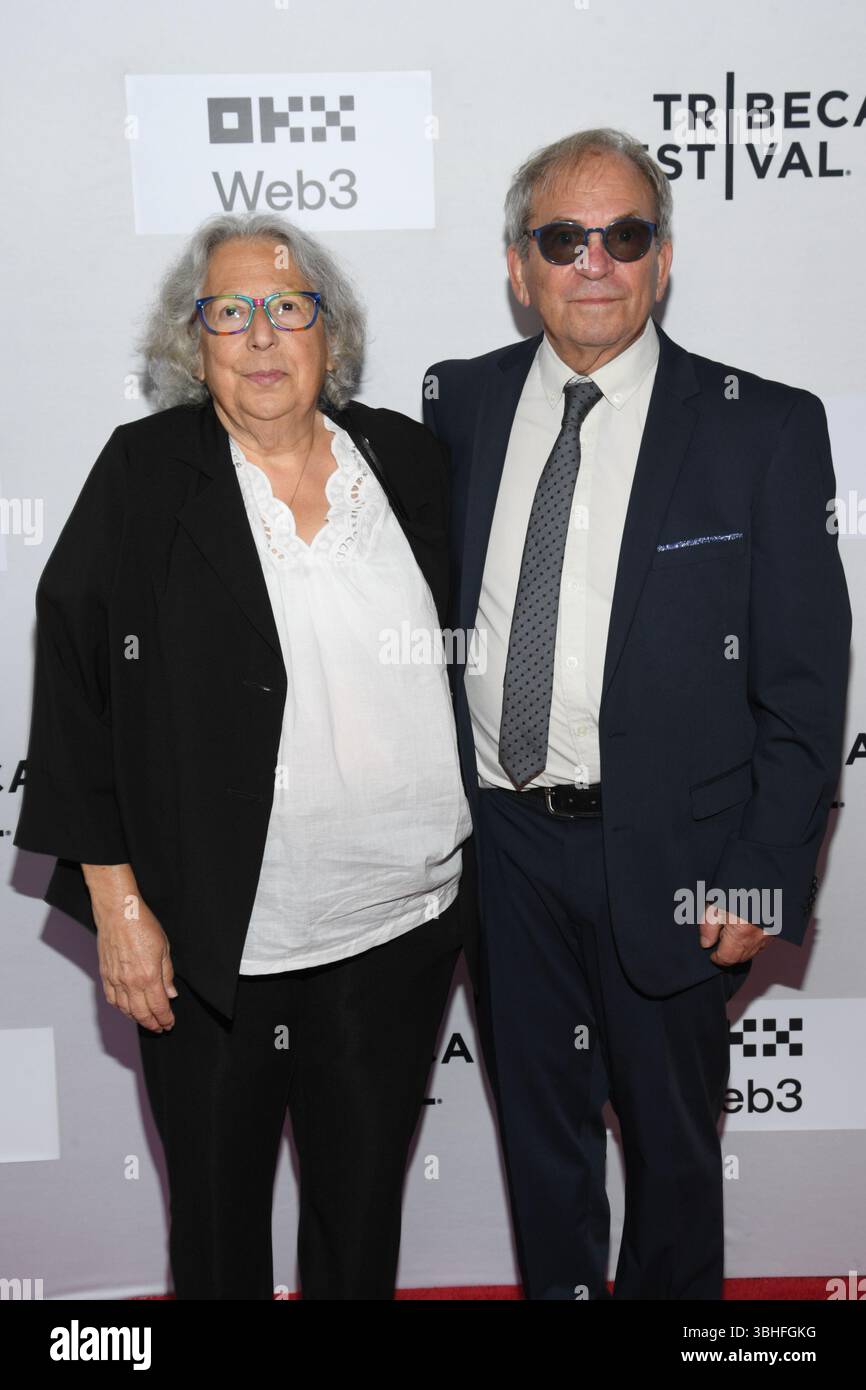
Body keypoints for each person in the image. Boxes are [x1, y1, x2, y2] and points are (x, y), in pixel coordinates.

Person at [422, 127, 851, 1300]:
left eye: (625, 235)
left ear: (662, 260)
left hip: (678, 855)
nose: (594, 262)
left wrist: (760, 875)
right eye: (564, 238)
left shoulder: (761, 425)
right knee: (539, 1152)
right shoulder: (454, 405)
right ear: (520, 266)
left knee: (669, 1162)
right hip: (502, 852)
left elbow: (806, 686)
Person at [14, 211, 475, 1300]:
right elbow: (75, 692)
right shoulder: (146, 474)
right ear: (197, 341)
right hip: (215, 946)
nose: (261, 335)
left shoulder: (405, 460)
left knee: (358, 1230)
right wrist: (117, 902)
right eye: (231, 311)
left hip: (394, 931)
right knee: (216, 1239)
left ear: (330, 332)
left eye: (287, 307)